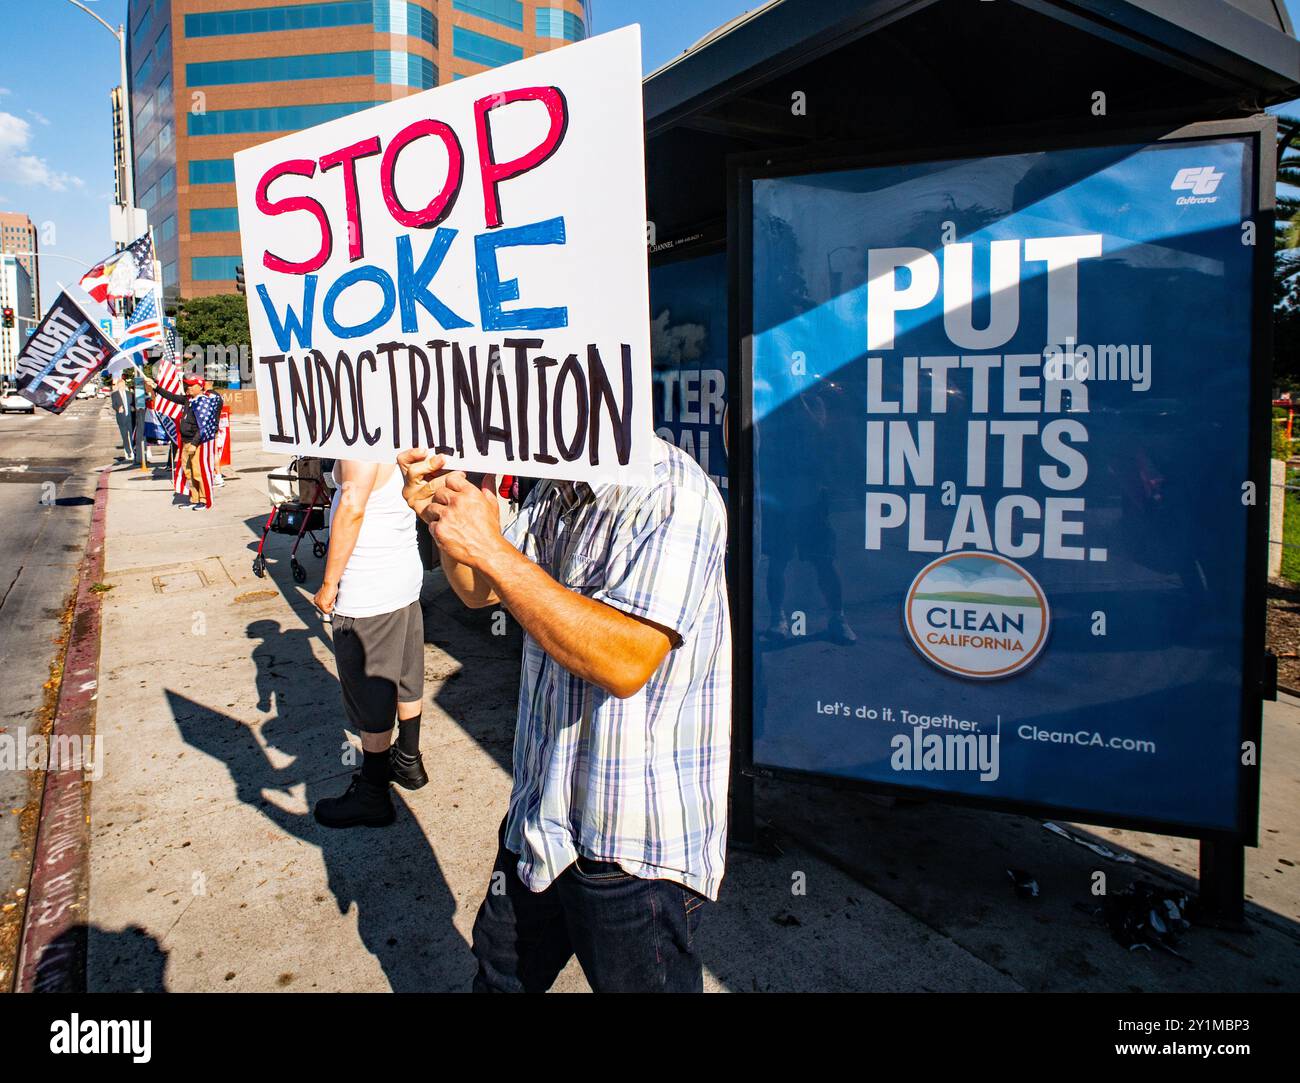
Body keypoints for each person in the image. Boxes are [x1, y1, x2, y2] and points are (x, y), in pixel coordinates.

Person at [397, 437, 731, 993]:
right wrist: (446, 520)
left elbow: (625, 660)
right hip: (541, 814)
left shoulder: (672, 492)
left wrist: (493, 549)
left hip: (628, 840)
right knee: (500, 975)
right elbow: (481, 592)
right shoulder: (558, 485)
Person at [311, 459, 427, 828]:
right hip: (402, 574)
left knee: (371, 693)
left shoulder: (361, 437)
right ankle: (408, 761)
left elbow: (352, 507)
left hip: (368, 587)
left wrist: (330, 582)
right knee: (406, 675)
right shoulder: (400, 425)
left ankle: (373, 794)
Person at [144, 373, 222, 509]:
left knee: (198, 471)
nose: (189, 388)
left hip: (196, 443)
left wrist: (195, 443)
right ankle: (194, 498)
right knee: (188, 472)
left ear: (200, 386)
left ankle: (203, 500)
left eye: (192, 385)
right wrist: (156, 387)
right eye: (188, 385)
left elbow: (204, 425)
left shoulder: (203, 401)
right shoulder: (188, 400)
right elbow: (171, 397)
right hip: (186, 441)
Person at [110, 374, 134, 462]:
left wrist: (133, 408)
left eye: (123, 385)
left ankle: (133, 450)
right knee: (124, 436)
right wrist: (118, 408)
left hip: (129, 417)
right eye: (120, 385)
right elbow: (113, 405)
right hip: (121, 418)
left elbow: (132, 403)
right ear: (118, 386)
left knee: (132, 435)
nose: (122, 386)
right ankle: (128, 452)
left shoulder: (129, 394)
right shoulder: (114, 395)